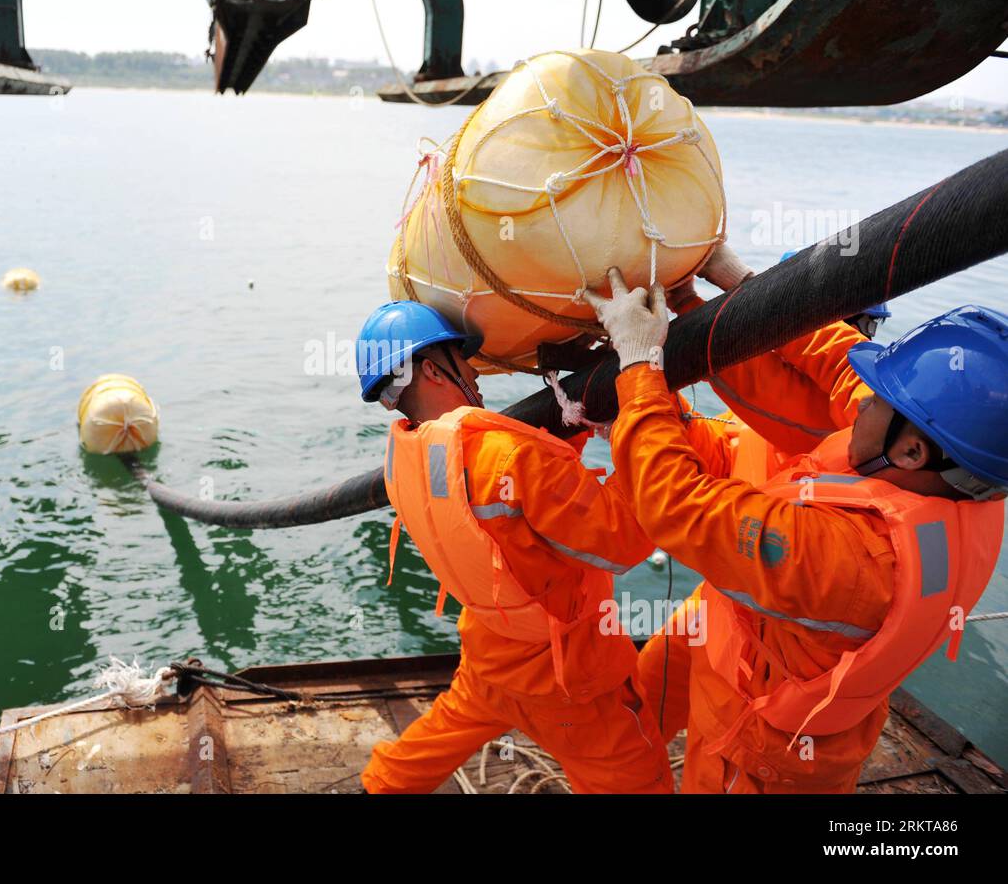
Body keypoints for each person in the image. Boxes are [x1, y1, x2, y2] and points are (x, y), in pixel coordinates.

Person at [586, 253, 1007, 793]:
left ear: (909, 451)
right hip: (734, 629)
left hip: (761, 745)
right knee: (642, 706)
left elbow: (677, 505)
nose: (859, 397)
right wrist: (742, 287)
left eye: (876, 395)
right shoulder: (955, 469)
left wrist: (639, 368)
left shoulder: (851, 561)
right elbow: (837, 359)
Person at [354, 300, 673, 794]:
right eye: (463, 360)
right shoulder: (515, 457)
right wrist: (640, 412)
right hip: (568, 684)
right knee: (635, 780)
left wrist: (568, 439)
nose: (475, 372)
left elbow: (498, 506)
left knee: (425, 748)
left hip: (490, 658)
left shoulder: (404, 461)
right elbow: (625, 540)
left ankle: (375, 788)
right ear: (436, 370)